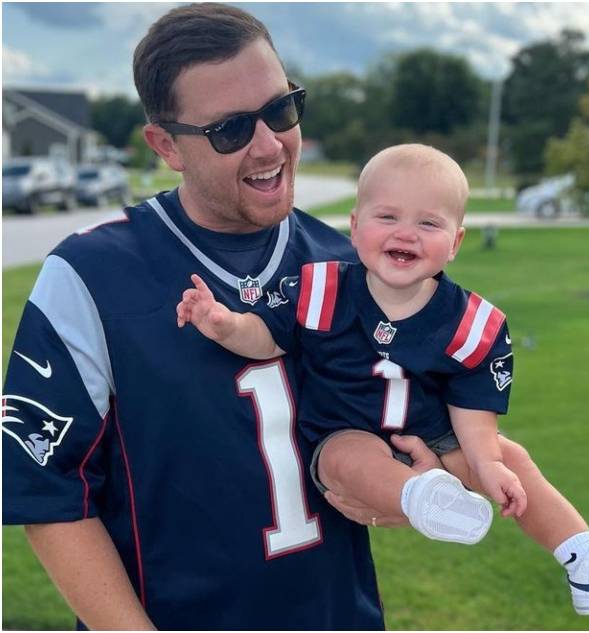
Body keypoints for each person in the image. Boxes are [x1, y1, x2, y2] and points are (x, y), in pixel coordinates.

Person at [3, 4, 434, 628]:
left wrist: (411, 481)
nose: (270, 145)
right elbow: (49, 489)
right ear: (165, 146)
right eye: (230, 129)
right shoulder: (88, 276)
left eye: (281, 110)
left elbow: (398, 420)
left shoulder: (349, 266)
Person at [176, 144, 589, 615]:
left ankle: (580, 554)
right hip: (345, 429)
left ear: (455, 243)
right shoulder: (319, 289)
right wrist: (226, 324)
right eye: (388, 217)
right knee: (347, 459)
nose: (406, 233)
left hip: (436, 434)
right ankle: (425, 498)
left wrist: (486, 462)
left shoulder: (471, 322)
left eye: (429, 223)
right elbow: (268, 339)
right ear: (355, 226)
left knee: (509, 460)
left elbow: (472, 405)